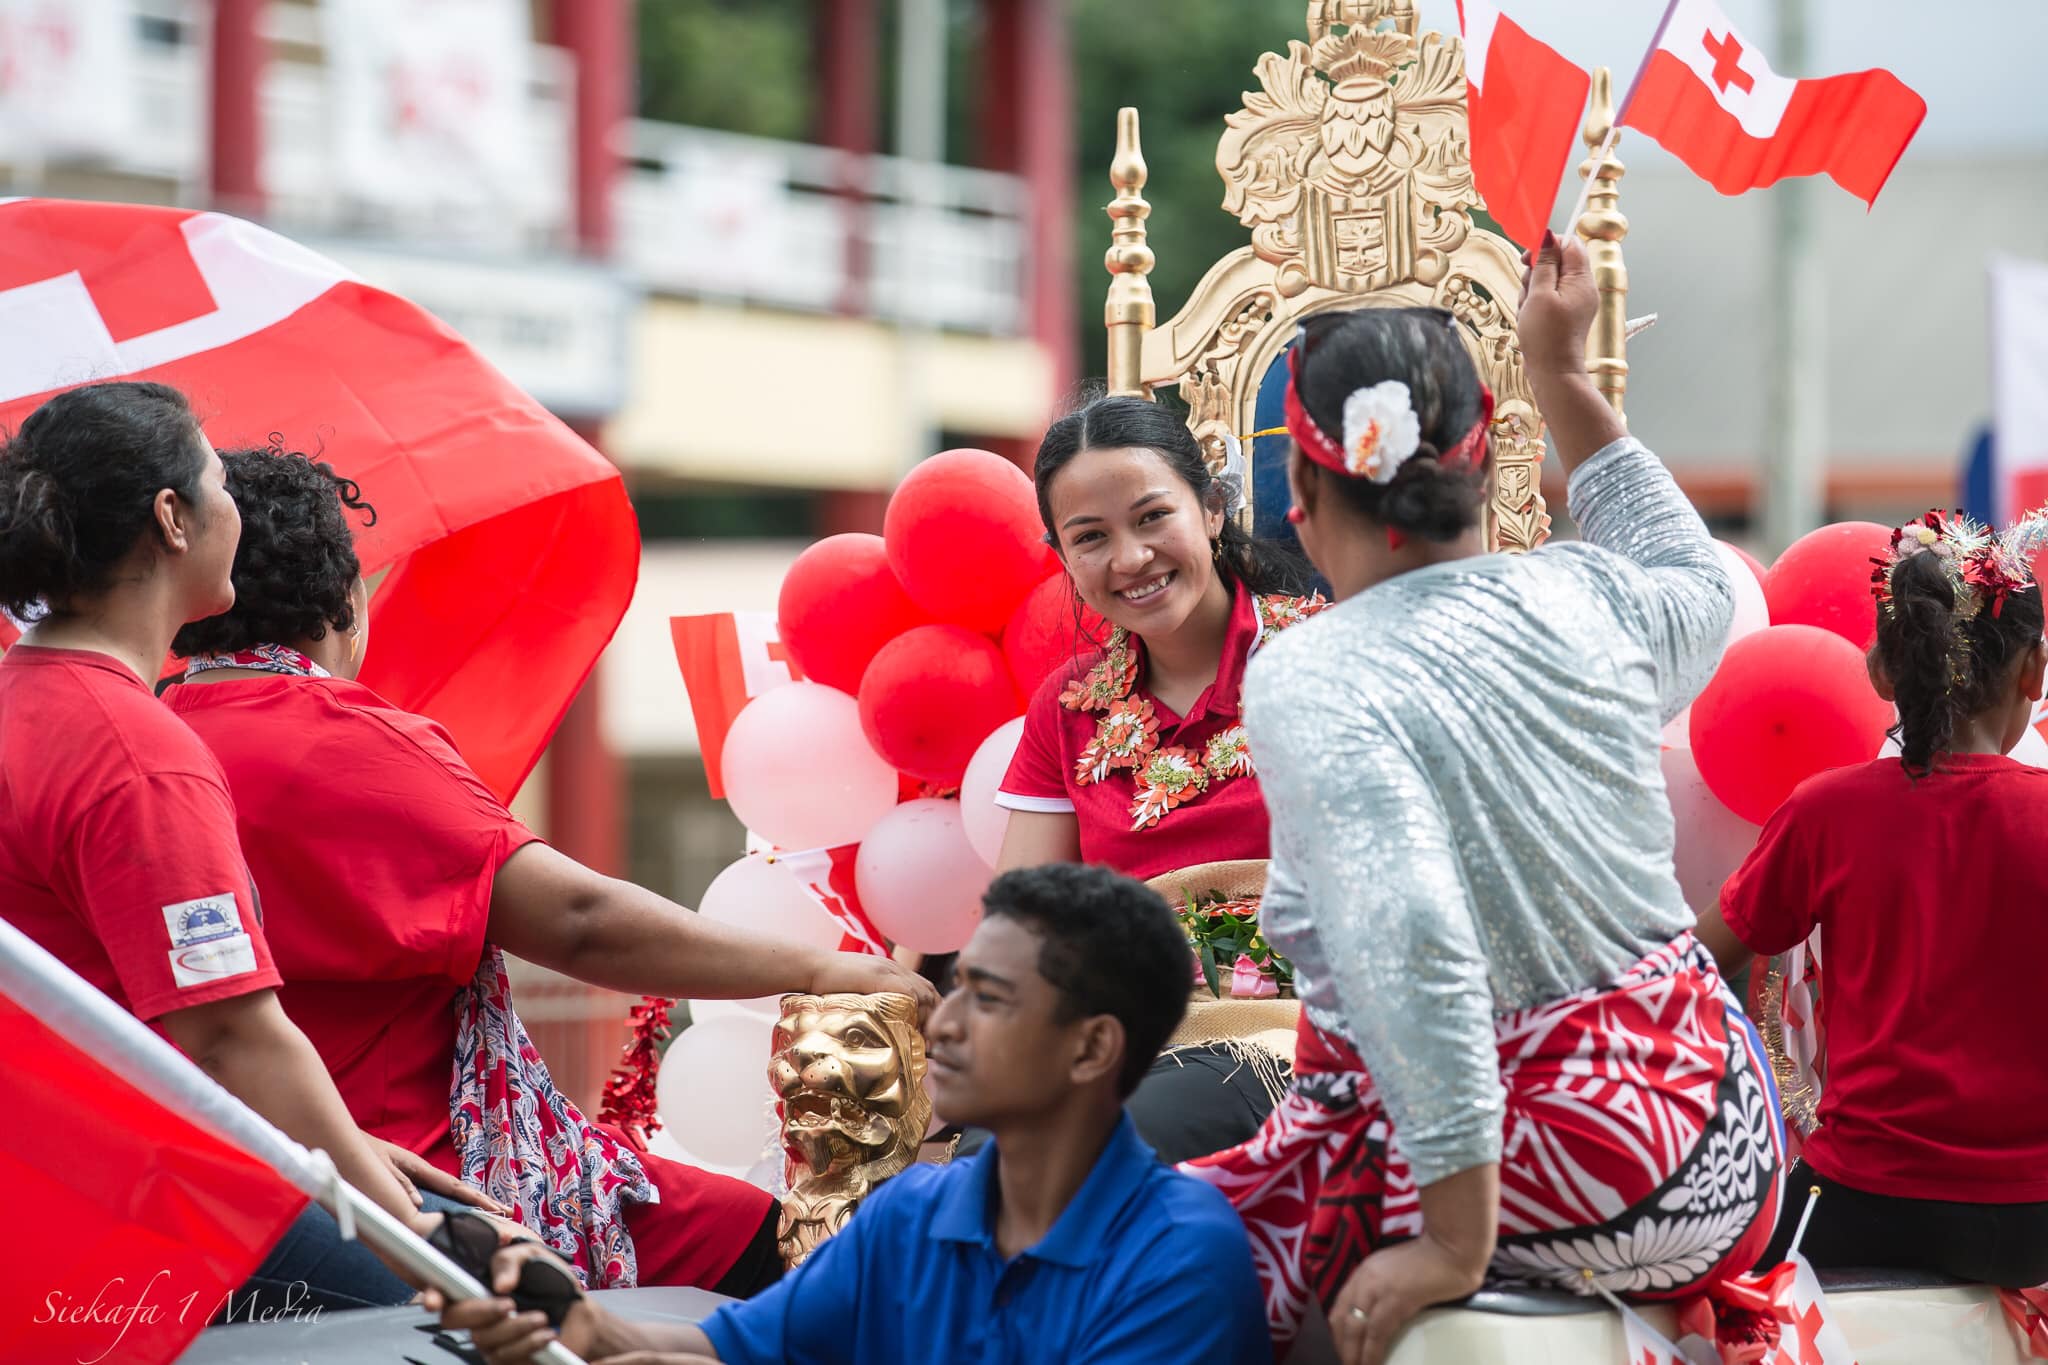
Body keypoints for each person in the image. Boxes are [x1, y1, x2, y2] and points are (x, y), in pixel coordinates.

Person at [1181, 236, 1784, 1364]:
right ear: (1484, 455)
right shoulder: (1588, 594)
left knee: (1121, 1259)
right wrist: (1563, 374)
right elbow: (1698, 577)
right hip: (1724, 1133)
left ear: (1299, 490)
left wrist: (1452, 1243)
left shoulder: (1315, 671)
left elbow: (1413, 941)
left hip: (1577, 1174)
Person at [162, 445, 936, 1297]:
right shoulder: (347, 739)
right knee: (774, 1239)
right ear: (345, 600)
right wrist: (820, 969)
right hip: (427, 1171)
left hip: (216, 1176)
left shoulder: (149, 734)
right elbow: (578, 922)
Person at [0, 381, 455, 1313]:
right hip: (128, 1200)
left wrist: (351, 1154)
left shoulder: (28, 696)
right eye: (219, 481)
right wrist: (415, 1237)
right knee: (482, 1300)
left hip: (54, 1167)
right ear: (173, 518)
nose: (235, 507)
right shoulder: (134, 751)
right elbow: (227, 1036)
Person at [433, 864, 1269, 1365]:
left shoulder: (1181, 1252)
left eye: (990, 999)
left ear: (1092, 1048)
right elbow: (733, 1347)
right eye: (955, 989)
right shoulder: (914, 1210)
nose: (942, 1023)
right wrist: (576, 1321)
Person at [1696, 509, 2048, 1287]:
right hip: (2036, 1215)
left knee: (1725, 1304)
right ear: (2036, 669)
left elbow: (1691, 966)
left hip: (1867, 1199)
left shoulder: (1825, 812)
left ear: (1882, 670)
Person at [992, 394, 1321, 1161]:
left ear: (1211, 507)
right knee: (973, 1161)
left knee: (1085, 1151)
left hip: (1291, 1038)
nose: (1131, 557)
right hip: (1123, 1042)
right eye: (1091, 537)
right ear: (1063, 556)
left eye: (1151, 517)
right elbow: (1022, 927)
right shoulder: (1066, 709)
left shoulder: (1327, 658)